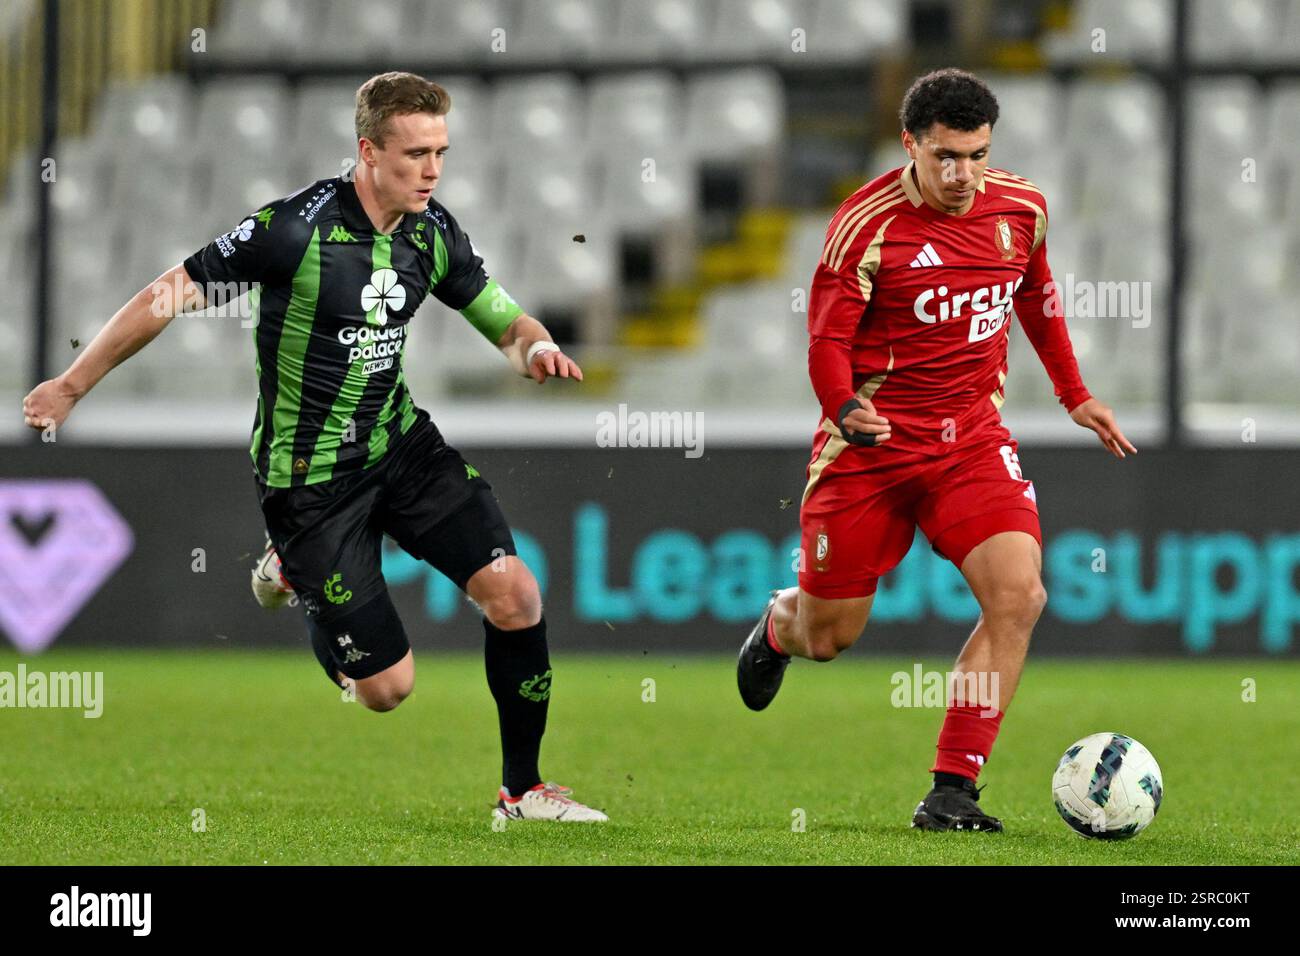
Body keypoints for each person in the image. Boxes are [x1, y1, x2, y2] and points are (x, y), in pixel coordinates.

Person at [22, 71, 606, 823]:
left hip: (401, 447)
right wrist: (72, 385)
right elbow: (167, 293)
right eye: (414, 154)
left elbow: (505, 321)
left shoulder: (433, 232)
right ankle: (293, 571)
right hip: (309, 482)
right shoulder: (293, 230)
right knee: (386, 692)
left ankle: (521, 793)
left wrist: (536, 351)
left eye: (441, 153)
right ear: (368, 151)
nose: (431, 171)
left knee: (516, 593)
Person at [736, 68, 1137, 832]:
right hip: (871, 447)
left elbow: (1036, 296)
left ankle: (952, 789)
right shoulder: (865, 225)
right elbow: (825, 343)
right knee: (831, 636)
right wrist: (846, 408)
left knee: (1019, 597)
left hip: (971, 442)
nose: (961, 175)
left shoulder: (1022, 208)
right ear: (910, 144)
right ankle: (782, 625)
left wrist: (1073, 392)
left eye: (976, 155)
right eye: (945, 156)